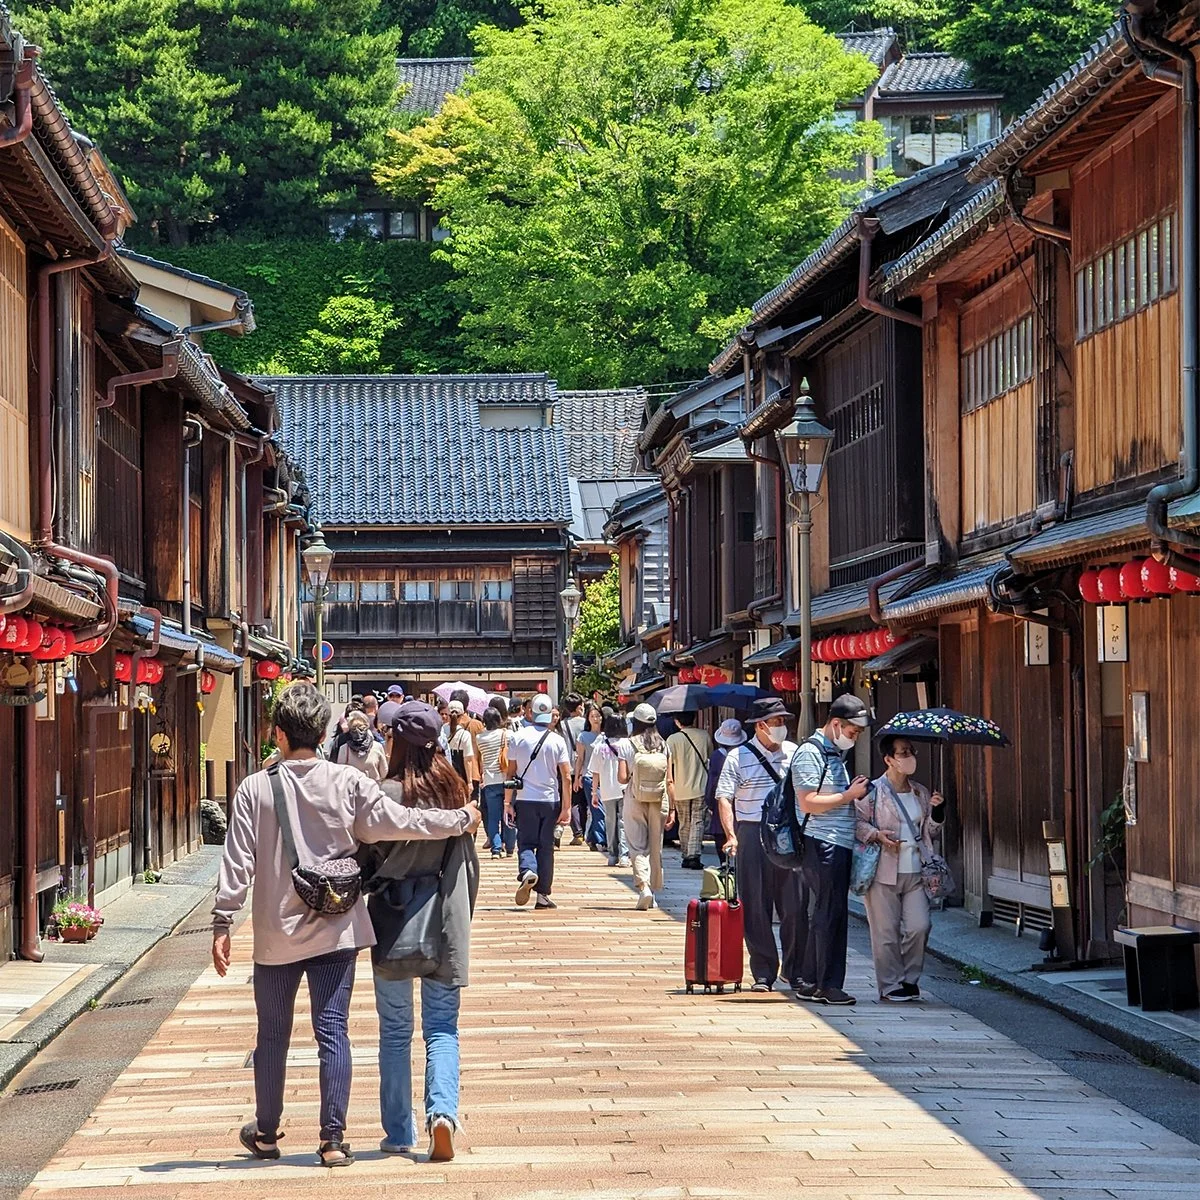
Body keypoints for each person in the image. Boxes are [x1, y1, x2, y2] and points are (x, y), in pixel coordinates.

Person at [211, 683, 480, 1168]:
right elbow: (403, 822)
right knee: (332, 1030)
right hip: (337, 928)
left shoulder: (254, 788)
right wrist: (460, 818)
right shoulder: (348, 783)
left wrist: (223, 920)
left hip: (275, 931)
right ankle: (332, 1140)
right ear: (321, 732)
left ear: (278, 734)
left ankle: (267, 1133)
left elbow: (237, 861)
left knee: (272, 1033)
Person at [362, 701, 479, 1162]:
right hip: (443, 923)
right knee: (442, 1029)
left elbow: (364, 860)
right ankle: (443, 1115)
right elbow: (468, 869)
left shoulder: (385, 793)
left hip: (391, 922)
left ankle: (398, 1132)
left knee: (394, 1032)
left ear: (396, 741)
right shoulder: (456, 794)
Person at [715, 697, 807, 993]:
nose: (782, 727)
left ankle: (795, 970)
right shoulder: (737, 756)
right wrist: (732, 835)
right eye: (777, 722)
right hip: (752, 832)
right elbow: (724, 797)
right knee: (755, 905)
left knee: (795, 905)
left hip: (788, 834)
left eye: (783, 722)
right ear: (760, 725)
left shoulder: (794, 753)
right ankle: (764, 971)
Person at [792, 692, 872, 1006]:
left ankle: (811, 981)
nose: (854, 739)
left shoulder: (832, 753)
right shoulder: (810, 753)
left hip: (835, 842)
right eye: (852, 733)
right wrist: (849, 796)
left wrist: (854, 793)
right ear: (836, 724)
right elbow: (808, 801)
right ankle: (827, 984)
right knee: (829, 914)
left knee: (828, 913)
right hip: (822, 842)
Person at [856, 734, 942, 1002]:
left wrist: (938, 813)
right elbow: (856, 825)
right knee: (885, 933)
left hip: (917, 871)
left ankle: (909, 979)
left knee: (920, 926)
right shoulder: (872, 791)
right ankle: (891, 984)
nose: (909, 757)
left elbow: (929, 832)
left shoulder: (920, 792)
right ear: (888, 759)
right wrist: (876, 835)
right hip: (882, 869)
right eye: (903, 753)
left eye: (911, 751)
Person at [504, 694, 571, 909]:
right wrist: (567, 807)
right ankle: (543, 895)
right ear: (550, 713)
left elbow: (510, 772)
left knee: (525, 842)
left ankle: (528, 870)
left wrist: (507, 803)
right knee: (546, 847)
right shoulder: (557, 740)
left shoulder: (518, 737)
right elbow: (566, 776)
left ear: (530, 712)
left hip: (525, 799)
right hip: (550, 800)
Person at [619, 703, 676, 911]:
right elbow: (670, 780)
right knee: (655, 846)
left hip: (635, 798)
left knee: (636, 846)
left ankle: (644, 888)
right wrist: (672, 809)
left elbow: (623, 778)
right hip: (660, 799)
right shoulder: (664, 745)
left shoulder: (627, 745)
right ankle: (654, 891)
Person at [666, 712, 713, 870]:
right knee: (698, 821)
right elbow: (709, 757)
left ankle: (686, 854)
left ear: (677, 722)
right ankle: (694, 854)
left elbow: (668, 764)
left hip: (680, 787)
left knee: (684, 822)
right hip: (701, 785)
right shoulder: (704, 735)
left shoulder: (672, 739)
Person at [592, 714, 632, 867]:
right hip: (625, 789)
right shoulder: (628, 744)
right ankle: (624, 855)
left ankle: (612, 854)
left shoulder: (600, 746)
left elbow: (594, 772)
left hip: (607, 789)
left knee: (610, 822)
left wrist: (594, 792)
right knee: (623, 822)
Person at [705, 719, 746, 865]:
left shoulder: (717, 756)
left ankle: (725, 865)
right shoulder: (744, 754)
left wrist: (709, 802)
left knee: (721, 836)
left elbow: (712, 783)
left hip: (720, 802)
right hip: (741, 804)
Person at [477, 706, 516, 858]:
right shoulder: (507, 734)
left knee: (493, 817)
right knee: (509, 812)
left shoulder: (479, 738)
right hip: (507, 779)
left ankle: (496, 849)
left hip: (490, 780)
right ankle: (511, 847)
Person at [572, 703, 607, 851]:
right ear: (587, 718)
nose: (595, 719)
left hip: (606, 777)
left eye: (598, 716)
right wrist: (576, 777)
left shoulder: (607, 735)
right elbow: (580, 758)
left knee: (601, 809)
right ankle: (602, 840)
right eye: (592, 716)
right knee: (597, 809)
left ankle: (591, 837)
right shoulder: (583, 736)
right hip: (588, 776)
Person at [559, 693, 587, 845]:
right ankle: (584, 830)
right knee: (585, 801)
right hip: (584, 766)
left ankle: (578, 833)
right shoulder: (585, 723)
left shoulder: (562, 725)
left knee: (573, 800)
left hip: (568, 766)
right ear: (579, 706)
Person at [334, 712, 389, 781]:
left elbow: (341, 775)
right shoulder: (377, 747)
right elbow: (384, 773)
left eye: (361, 728)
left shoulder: (344, 749)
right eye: (354, 728)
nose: (358, 732)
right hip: (368, 789)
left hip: (360, 789)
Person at [446, 701, 479, 794]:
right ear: (463, 715)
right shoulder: (465, 735)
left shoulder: (441, 731)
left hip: (444, 774)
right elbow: (467, 760)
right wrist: (469, 782)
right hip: (460, 775)